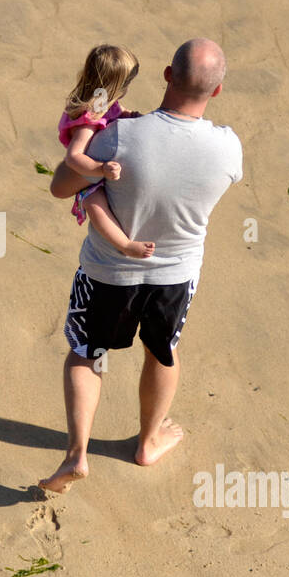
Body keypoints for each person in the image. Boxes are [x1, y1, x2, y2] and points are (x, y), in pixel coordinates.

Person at [40, 38, 242, 493]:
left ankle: (77, 454)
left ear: (167, 75)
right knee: (162, 351)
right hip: (174, 275)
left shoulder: (118, 136)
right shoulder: (228, 148)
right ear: (217, 91)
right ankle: (148, 443)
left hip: (107, 272)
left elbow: (60, 186)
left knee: (86, 353)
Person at [56, 44, 154, 258]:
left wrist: (133, 117)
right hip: (89, 174)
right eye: (126, 83)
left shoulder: (104, 101)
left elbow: (120, 111)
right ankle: (125, 245)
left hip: (97, 170)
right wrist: (100, 169)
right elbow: (74, 156)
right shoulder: (90, 120)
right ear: (113, 85)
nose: (127, 88)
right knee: (95, 204)